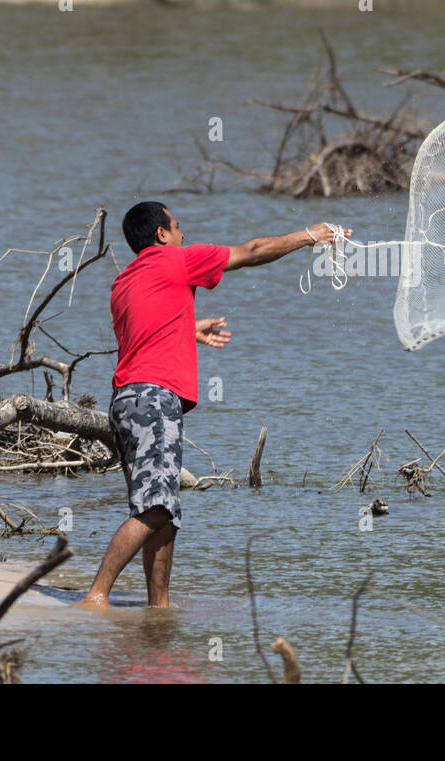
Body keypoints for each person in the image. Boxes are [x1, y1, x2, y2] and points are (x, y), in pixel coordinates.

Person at [77, 201, 350, 608]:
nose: (184, 233)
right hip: (155, 399)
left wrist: (189, 329)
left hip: (126, 401)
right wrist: (310, 235)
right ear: (161, 235)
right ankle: (96, 596)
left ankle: (159, 607)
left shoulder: (124, 282)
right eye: (178, 225)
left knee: (163, 515)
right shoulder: (178, 259)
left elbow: (143, 337)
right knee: (156, 507)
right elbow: (253, 251)